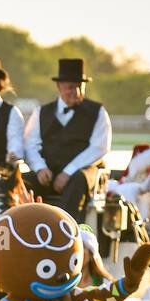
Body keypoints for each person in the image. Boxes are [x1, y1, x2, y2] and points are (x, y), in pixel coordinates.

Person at [24, 58, 111, 222]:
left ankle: (66, 230)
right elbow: (30, 145)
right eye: (71, 87)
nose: (76, 91)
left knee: (77, 180)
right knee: (23, 181)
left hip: (85, 171)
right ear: (59, 87)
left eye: (80, 86)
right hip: (49, 171)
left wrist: (67, 172)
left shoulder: (97, 112)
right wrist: (40, 168)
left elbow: (99, 148)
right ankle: (25, 229)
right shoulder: (41, 112)